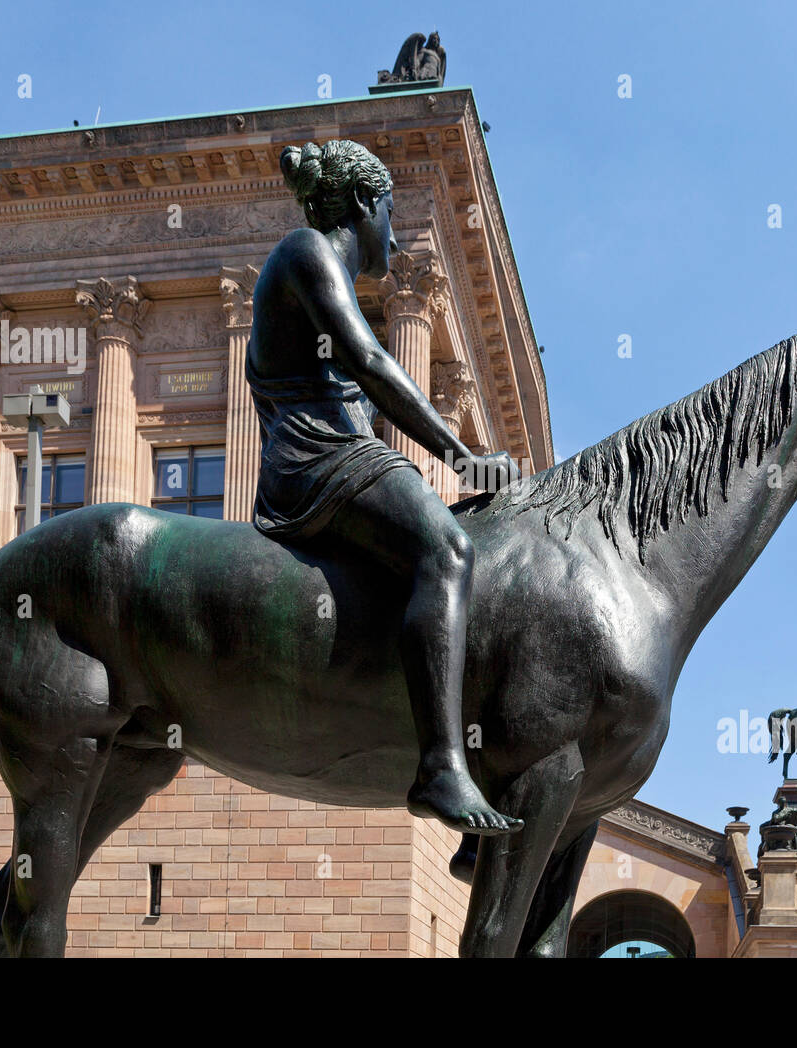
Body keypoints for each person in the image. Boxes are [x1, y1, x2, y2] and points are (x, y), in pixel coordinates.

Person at [245, 139, 522, 836]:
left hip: (336, 454)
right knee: (450, 552)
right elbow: (370, 360)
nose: (395, 236)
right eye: (391, 214)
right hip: (318, 460)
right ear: (365, 204)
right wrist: (463, 458)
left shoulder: (318, 264)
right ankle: (439, 768)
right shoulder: (305, 250)